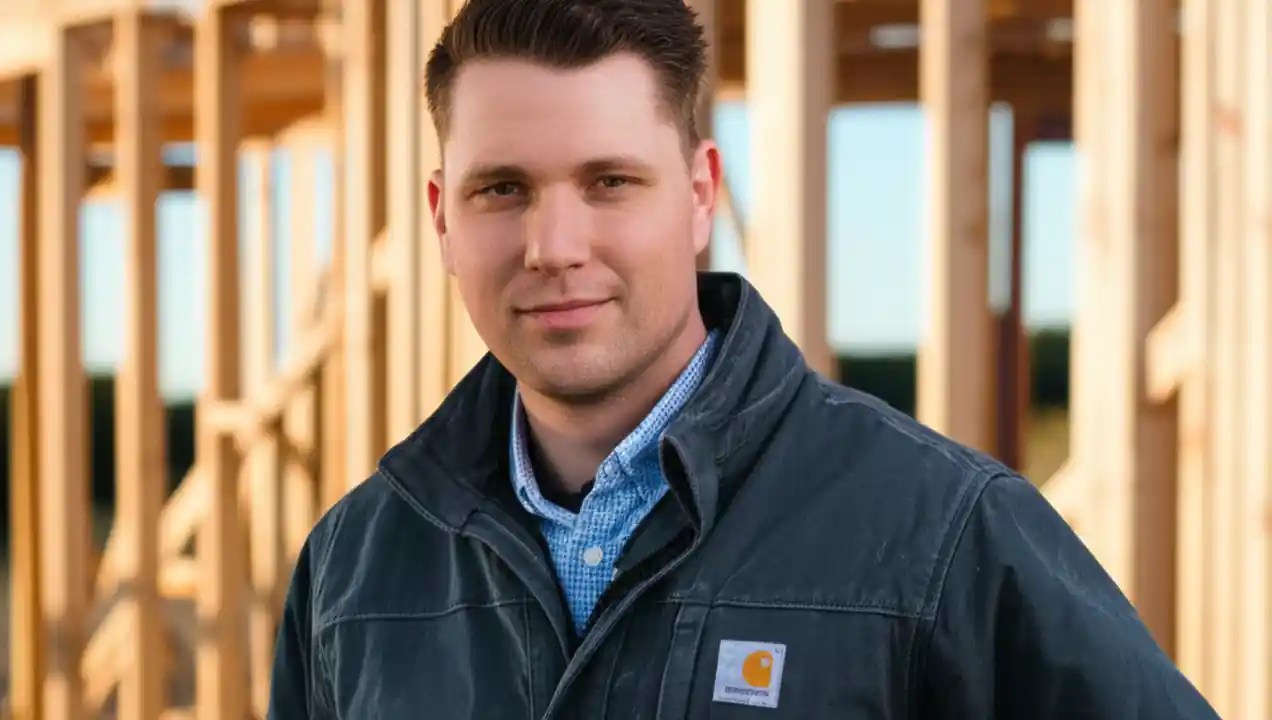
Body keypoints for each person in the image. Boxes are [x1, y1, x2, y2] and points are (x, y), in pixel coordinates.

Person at [268, 1, 1220, 717]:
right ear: (442, 215)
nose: (553, 244)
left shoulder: (940, 539)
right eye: (502, 189)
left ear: (699, 195)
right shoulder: (352, 573)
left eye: (609, 182)